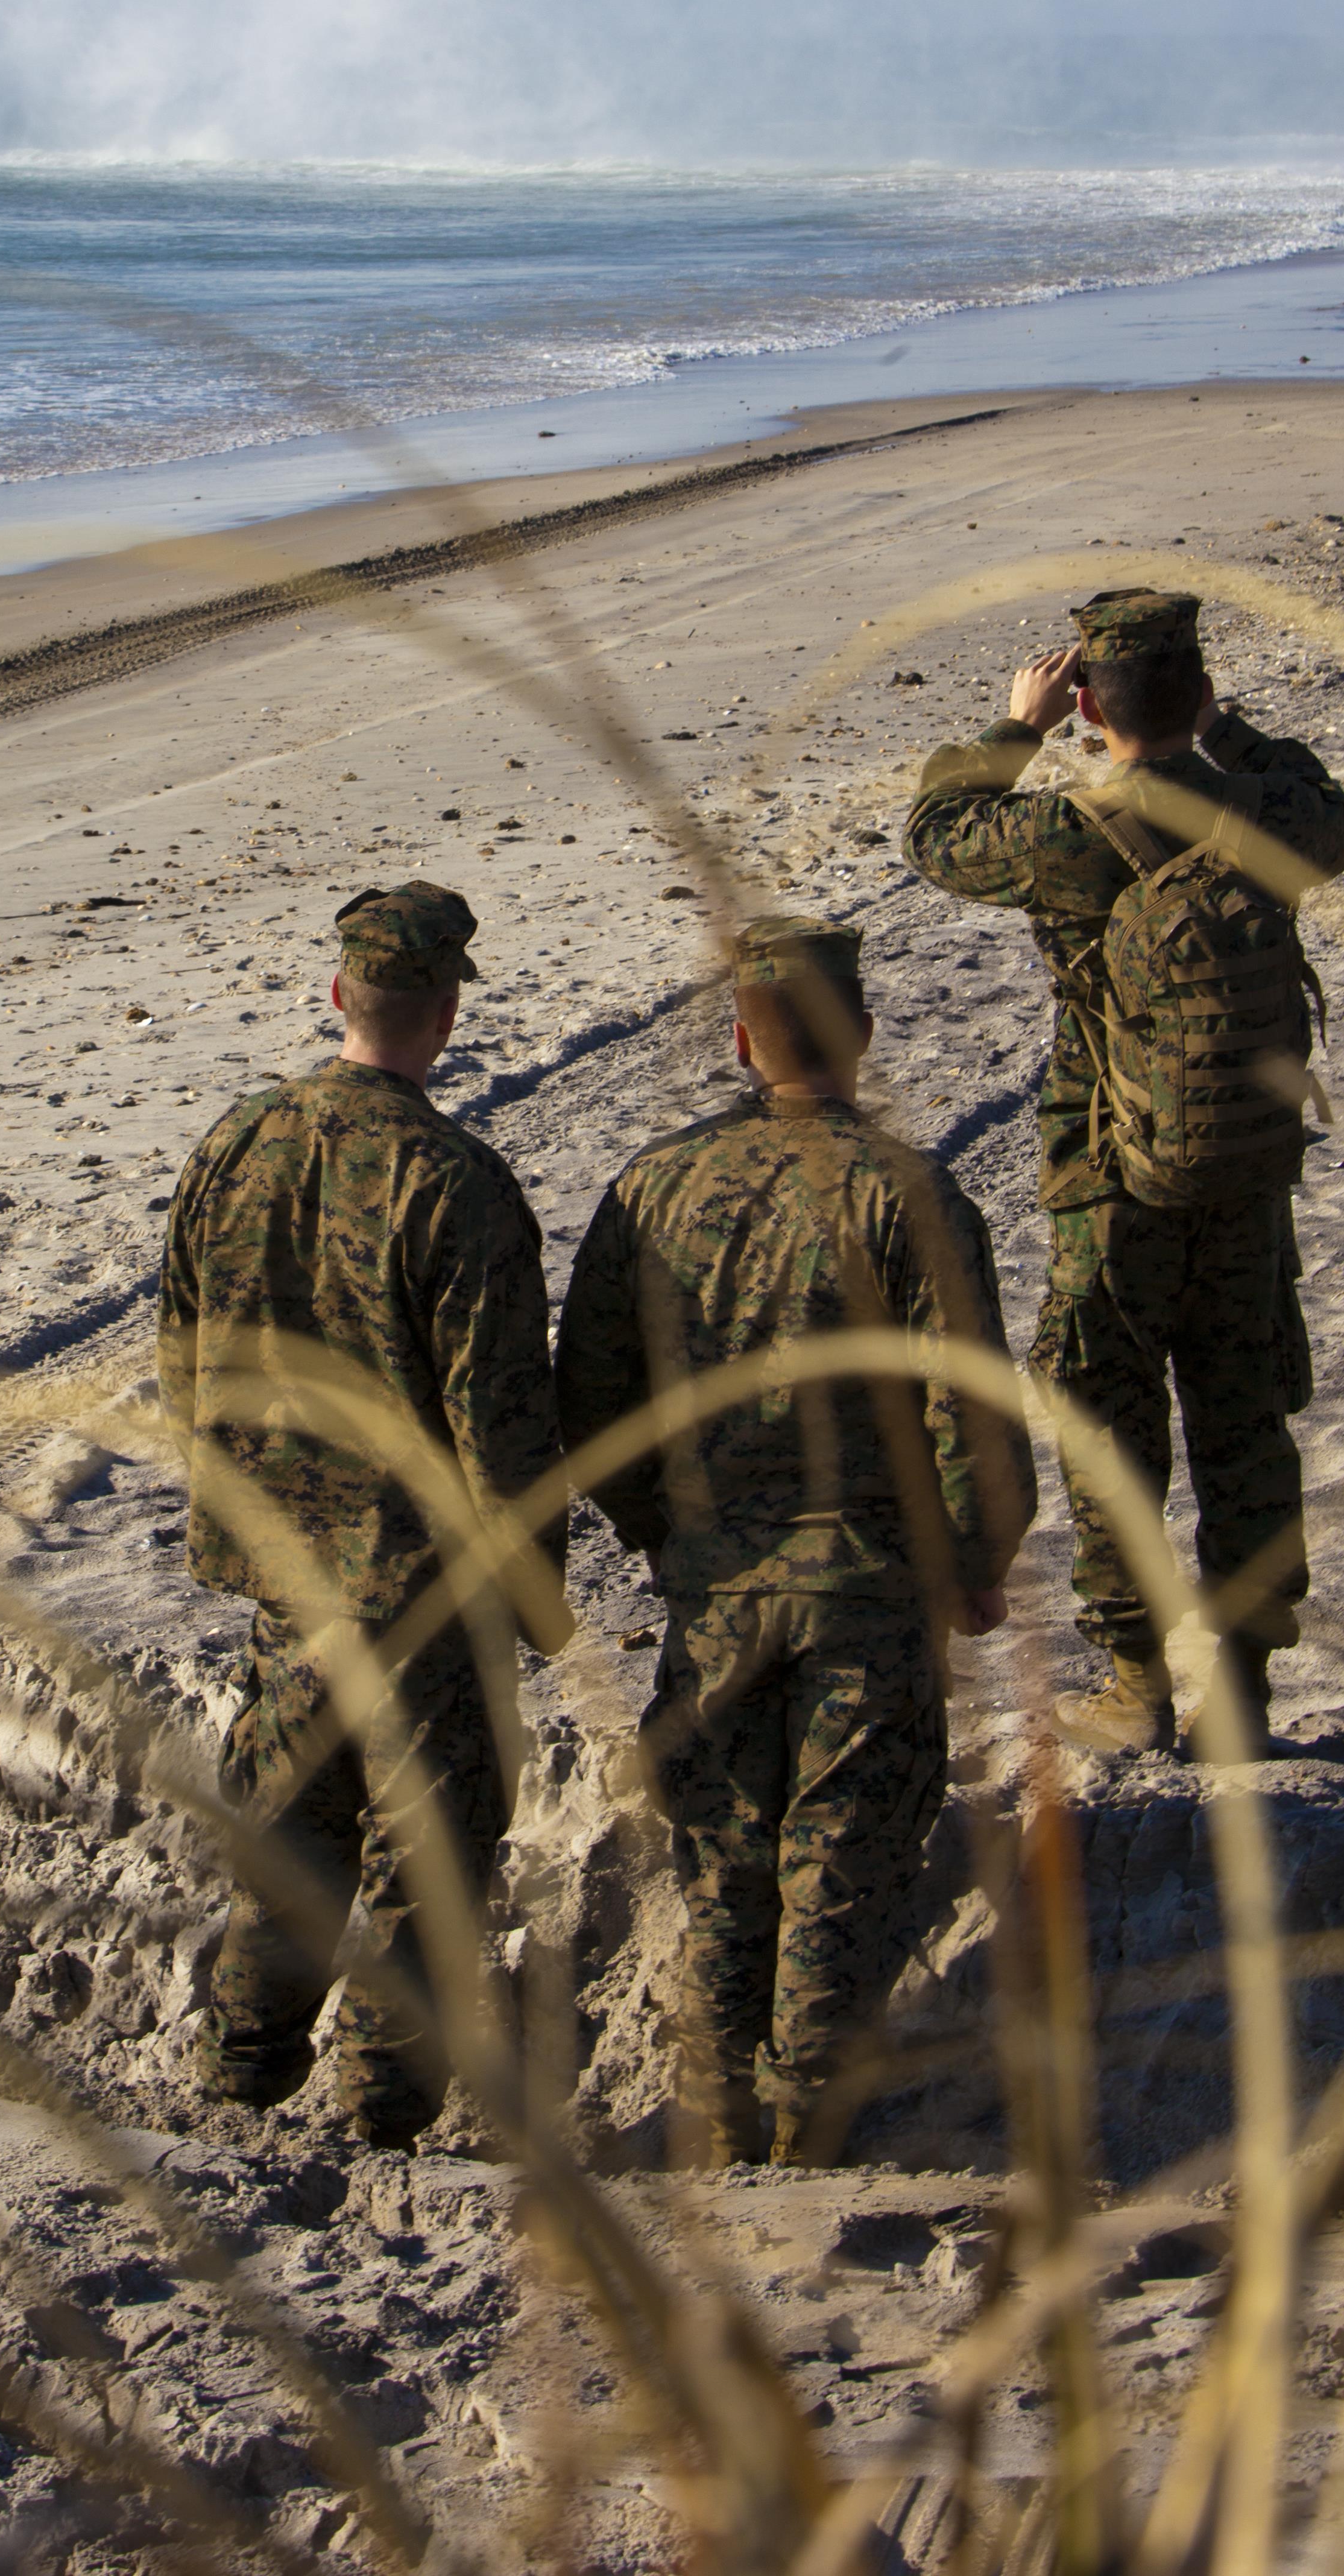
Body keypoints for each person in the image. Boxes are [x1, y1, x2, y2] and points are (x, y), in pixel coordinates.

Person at [554, 917, 1032, 2168]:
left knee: (725, 1851)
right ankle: (809, 2122)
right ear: (862, 1037)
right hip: (866, 1590)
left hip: (716, 1586)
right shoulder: (905, 1194)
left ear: (739, 1041)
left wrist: (668, 1529)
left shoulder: (655, 1187)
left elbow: (591, 1398)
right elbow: (968, 1409)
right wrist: (974, 1562)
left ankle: (725, 2103)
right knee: (843, 1857)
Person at [903, 589, 1344, 1758]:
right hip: (1242, 1172)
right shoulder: (1267, 815)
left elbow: (936, 835)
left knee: (1113, 1433)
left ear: (1090, 712)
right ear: (1200, 695)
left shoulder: (1065, 837)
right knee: (1244, 1416)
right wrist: (1231, 735)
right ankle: (1249, 1688)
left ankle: (1133, 1684)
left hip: (1107, 1175)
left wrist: (1017, 731)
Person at [157, 879, 562, 2148]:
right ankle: (385, 2116)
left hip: (290, 1576)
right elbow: (500, 1422)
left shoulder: (233, 1143)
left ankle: (242, 2081)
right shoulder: (457, 1184)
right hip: (427, 1591)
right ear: (444, 1016)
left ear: (339, 995)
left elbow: (183, 1353)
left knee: (288, 1840)